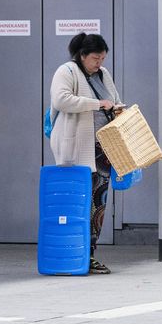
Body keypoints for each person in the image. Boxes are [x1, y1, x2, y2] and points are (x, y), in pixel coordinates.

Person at [49, 32, 122, 274]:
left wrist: (117, 108)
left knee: (98, 204)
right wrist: (97, 104)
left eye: (102, 58)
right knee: (77, 204)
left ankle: (89, 255)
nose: (99, 63)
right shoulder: (67, 71)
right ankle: (73, 254)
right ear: (82, 55)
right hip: (78, 150)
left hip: (102, 149)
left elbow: (113, 99)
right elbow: (61, 100)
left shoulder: (103, 74)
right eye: (95, 58)